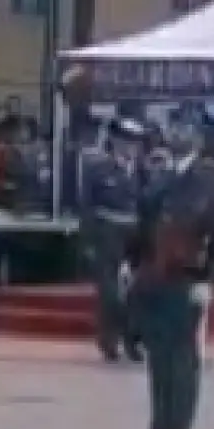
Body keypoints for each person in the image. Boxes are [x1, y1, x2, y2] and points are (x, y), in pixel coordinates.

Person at [131, 107, 214, 429]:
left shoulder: (212, 179)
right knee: (159, 355)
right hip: (155, 274)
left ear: (199, 138)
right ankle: (159, 427)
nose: (178, 135)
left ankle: (178, 428)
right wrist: (134, 264)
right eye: (174, 128)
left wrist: (211, 280)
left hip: (188, 275)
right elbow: (143, 224)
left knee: (182, 355)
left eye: (186, 129)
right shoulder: (161, 175)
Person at [81, 117, 146, 363]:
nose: (130, 147)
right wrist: (87, 241)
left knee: (135, 292)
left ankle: (132, 341)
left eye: (134, 142)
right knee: (109, 293)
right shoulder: (98, 169)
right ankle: (108, 340)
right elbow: (87, 207)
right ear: (114, 141)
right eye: (125, 141)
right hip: (106, 234)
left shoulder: (143, 171)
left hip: (135, 237)